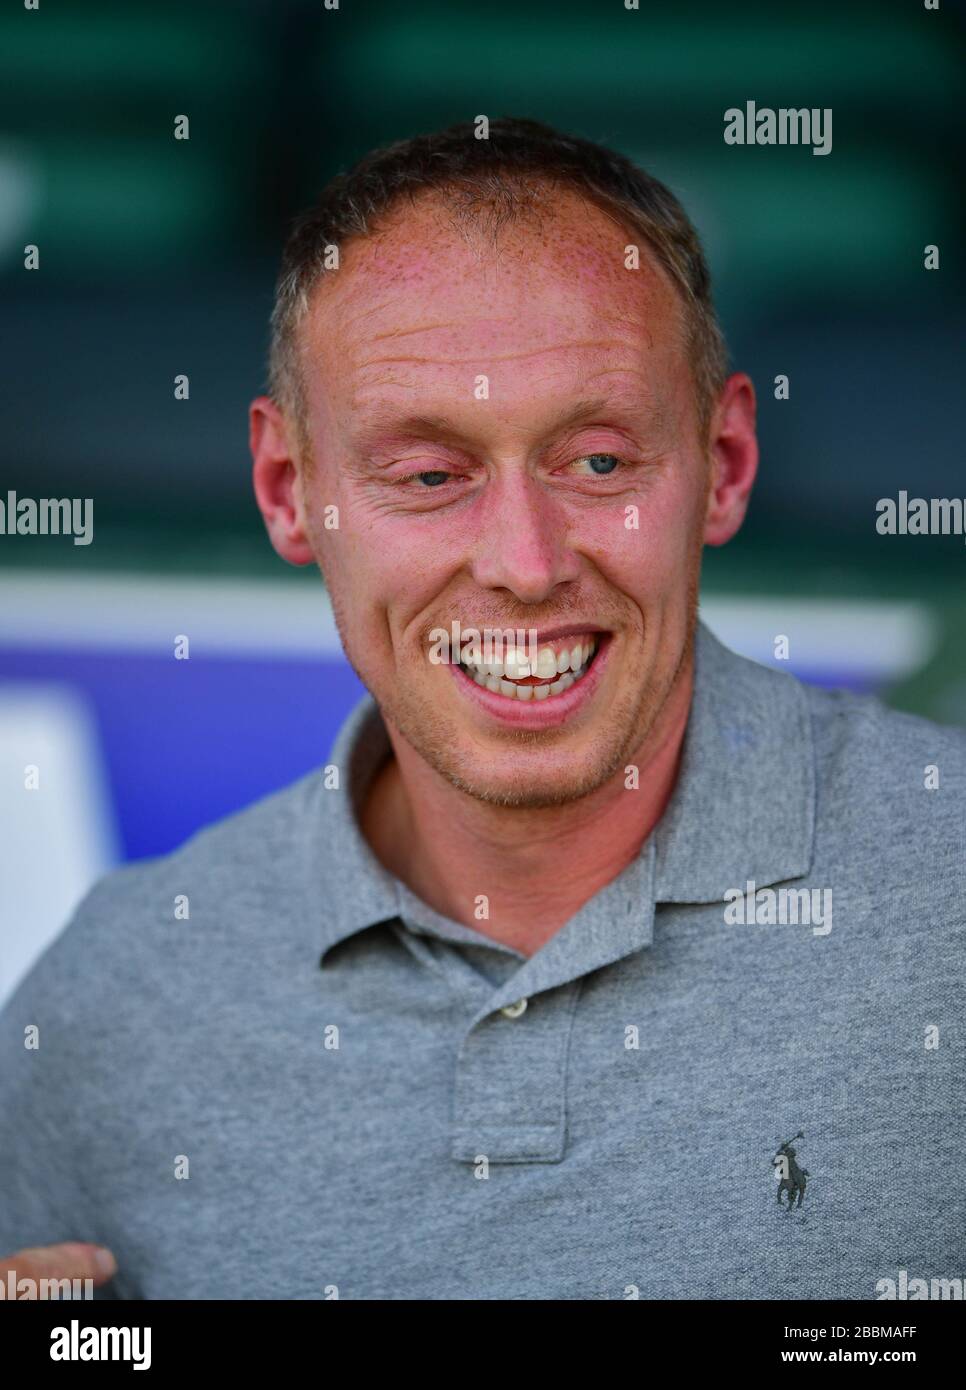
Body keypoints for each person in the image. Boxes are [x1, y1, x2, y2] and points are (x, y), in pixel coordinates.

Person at [1, 118, 963, 1301]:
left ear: (724, 461)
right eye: (428, 474)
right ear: (289, 492)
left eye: (599, 462)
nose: (523, 559)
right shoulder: (114, 991)